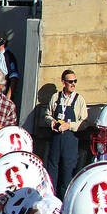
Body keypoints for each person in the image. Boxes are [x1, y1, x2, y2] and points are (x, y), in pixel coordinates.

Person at [42, 70, 86, 201]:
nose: (73, 84)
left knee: (67, 174)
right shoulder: (55, 98)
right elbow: (47, 115)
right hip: (56, 139)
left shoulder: (79, 100)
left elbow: (83, 122)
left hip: (70, 141)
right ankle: (50, 202)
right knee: (52, 171)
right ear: (63, 82)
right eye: (70, 81)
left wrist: (69, 125)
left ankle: (65, 203)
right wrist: (52, 122)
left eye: (75, 81)